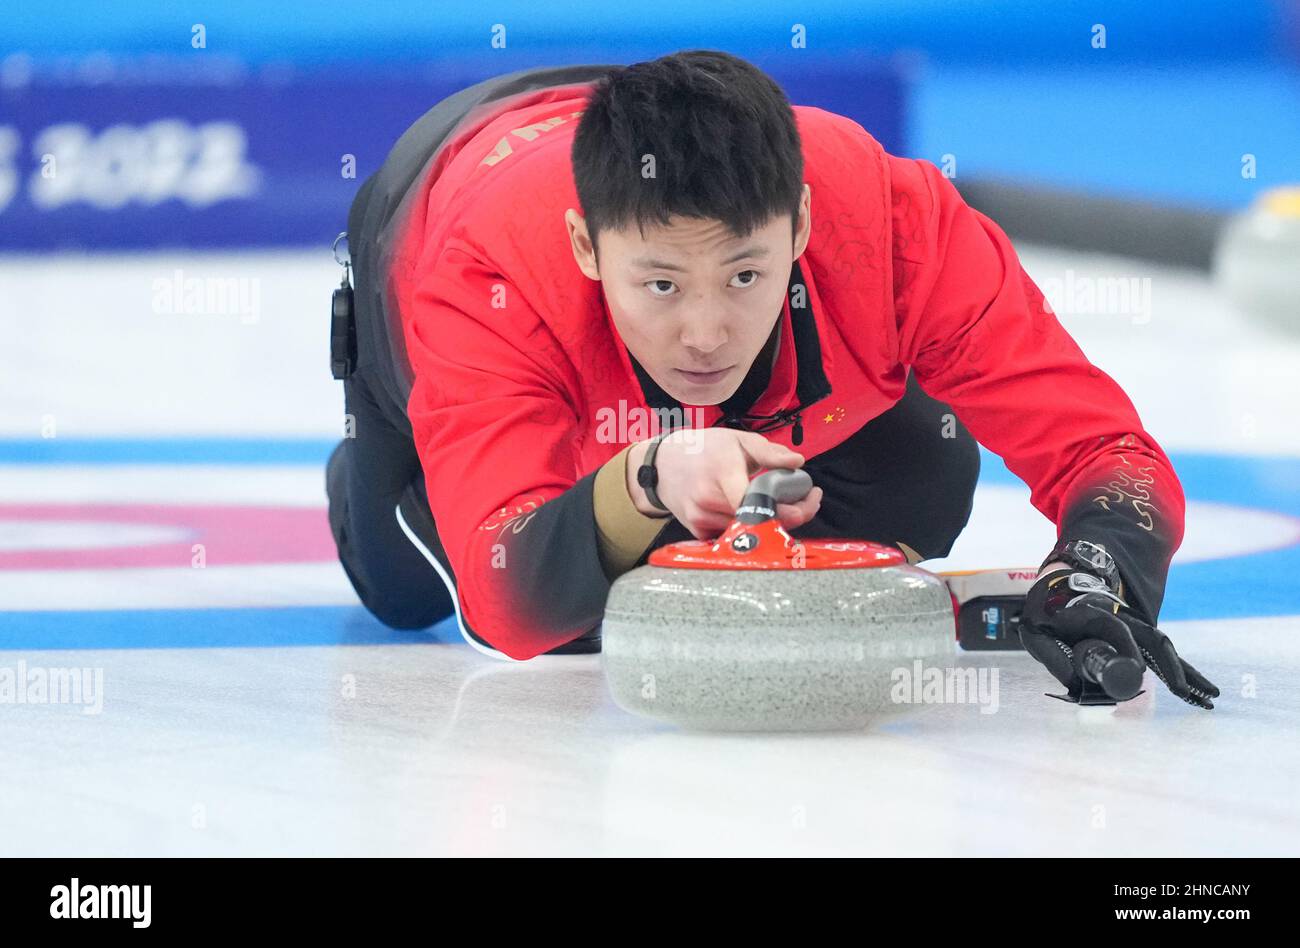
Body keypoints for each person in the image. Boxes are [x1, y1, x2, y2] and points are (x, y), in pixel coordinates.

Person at [325, 50, 1217, 708]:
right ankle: (390, 479)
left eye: (745, 275)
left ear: (800, 226)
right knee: (488, 610)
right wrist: (645, 477)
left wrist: (1097, 570)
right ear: (586, 247)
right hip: (429, 205)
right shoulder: (489, 274)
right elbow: (507, 606)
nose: (706, 334)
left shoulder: (896, 223)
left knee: (924, 471)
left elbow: (1106, 449)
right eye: (662, 284)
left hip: (626, 153)